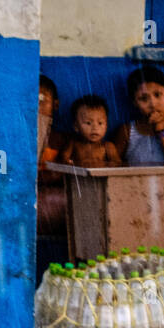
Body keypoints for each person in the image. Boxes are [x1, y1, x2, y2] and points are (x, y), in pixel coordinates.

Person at [115, 64, 164, 167]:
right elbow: (114, 167)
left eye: (157, 95)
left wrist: (162, 133)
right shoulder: (127, 131)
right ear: (134, 102)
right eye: (144, 99)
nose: (153, 104)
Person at [37, 75, 74, 234]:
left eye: (41, 99)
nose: (34, 105)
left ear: (55, 105)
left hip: (52, 201)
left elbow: (65, 173)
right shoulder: (15, 139)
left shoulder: (62, 140)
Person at [63, 95, 121, 168]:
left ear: (107, 125)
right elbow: (63, 160)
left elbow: (118, 164)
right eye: (88, 123)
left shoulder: (107, 147)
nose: (95, 128)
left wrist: (110, 165)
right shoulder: (73, 144)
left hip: (103, 178)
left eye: (100, 123)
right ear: (76, 126)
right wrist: (69, 162)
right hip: (79, 178)